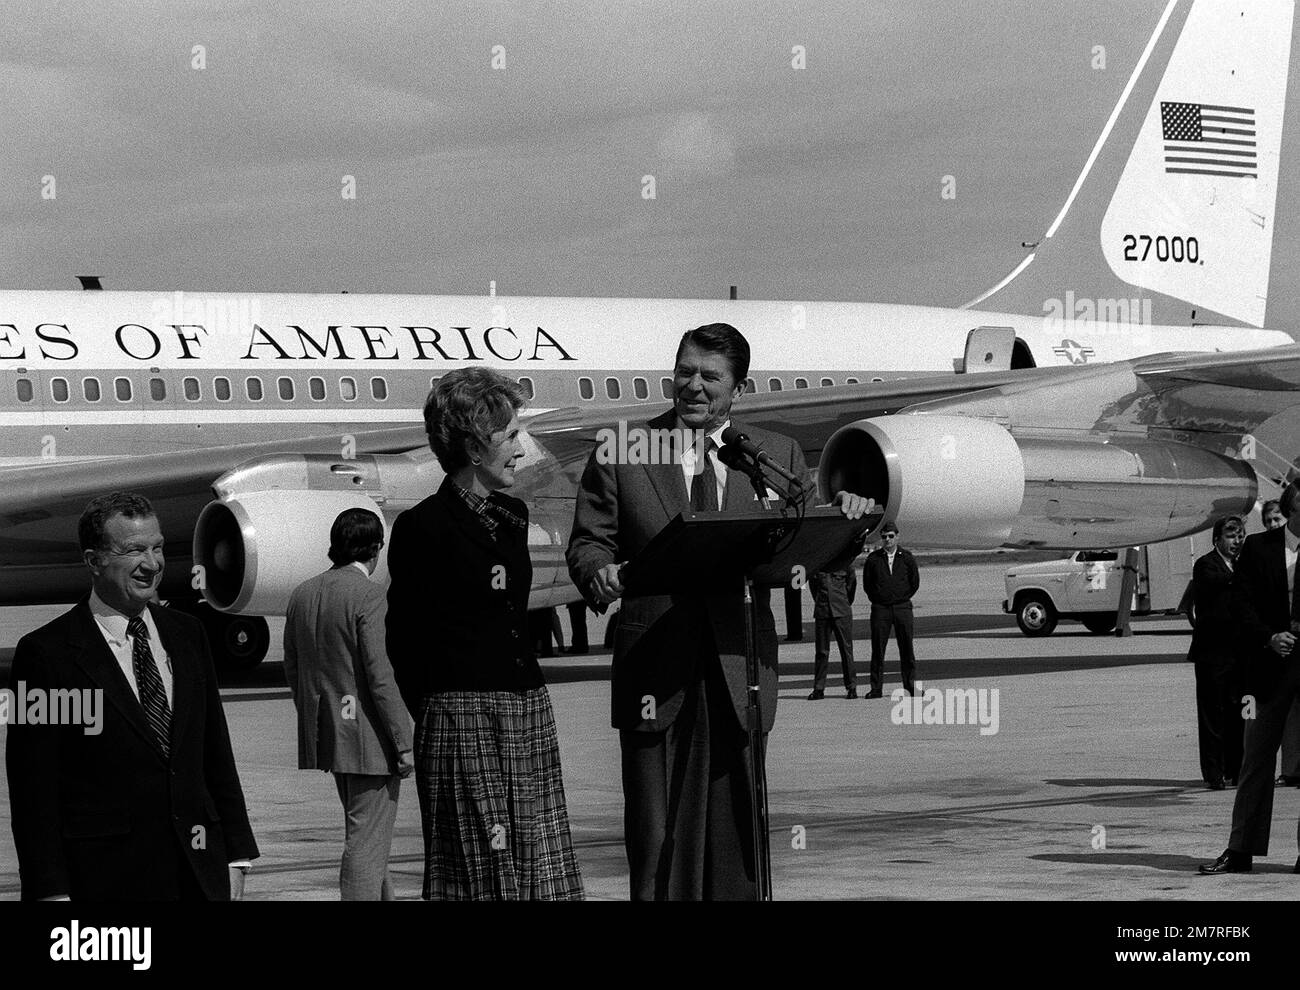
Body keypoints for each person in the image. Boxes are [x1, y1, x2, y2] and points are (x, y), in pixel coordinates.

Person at [566, 321, 871, 900]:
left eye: (710, 376)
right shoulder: (624, 446)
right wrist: (597, 570)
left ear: (740, 388)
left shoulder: (772, 456)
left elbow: (807, 547)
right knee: (656, 838)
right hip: (655, 664)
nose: (694, 386)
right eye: (684, 372)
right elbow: (588, 541)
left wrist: (848, 524)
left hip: (740, 668)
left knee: (736, 834)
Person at [385, 368, 583, 901]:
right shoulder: (422, 528)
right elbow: (403, 641)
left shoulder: (514, 516)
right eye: (510, 436)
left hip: (528, 709)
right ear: (474, 447)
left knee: (541, 867)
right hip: (459, 716)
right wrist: (444, 712)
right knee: (480, 873)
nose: (522, 448)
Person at [5, 491, 258, 900]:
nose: (152, 564)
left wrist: (237, 857)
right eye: (134, 550)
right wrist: (50, 892)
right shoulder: (45, 655)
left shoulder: (188, 634)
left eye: (157, 547)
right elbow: (34, 793)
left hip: (199, 873)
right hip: (106, 882)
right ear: (93, 560)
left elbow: (215, 754)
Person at [283, 507, 414, 900]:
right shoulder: (370, 594)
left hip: (330, 731)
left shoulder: (303, 592)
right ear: (375, 548)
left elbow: (293, 665)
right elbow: (380, 674)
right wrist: (403, 742)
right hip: (370, 738)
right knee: (365, 841)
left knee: (368, 836)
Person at [1199, 482, 1300, 875]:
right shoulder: (1259, 548)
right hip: (1269, 667)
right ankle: (1240, 850)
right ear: (1292, 511)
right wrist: (1268, 637)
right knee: (1255, 761)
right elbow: (1240, 604)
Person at [1188, 516, 1246, 789]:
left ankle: (1235, 768)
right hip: (1212, 654)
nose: (1237, 541)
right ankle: (1213, 772)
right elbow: (1222, 584)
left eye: (1240, 536)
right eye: (1232, 536)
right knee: (1213, 714)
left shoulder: (1242, 565)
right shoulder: (1206, 565)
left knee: (1240, 713)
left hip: (1238, 653)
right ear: (1217, 540)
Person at [1263, 499, 1300, 786]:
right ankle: (1290, 770)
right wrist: (1270, 636)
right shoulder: (1262, 548)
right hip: (1280, 644)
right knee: (1285, 710)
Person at [862, 521, 920, 698]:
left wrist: (902, 596)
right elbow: (867, 584)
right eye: (884, 537)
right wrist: (879, 598)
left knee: (907, 649)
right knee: (878, 649)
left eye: (891, 536)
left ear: (897, 537)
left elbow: (914, 582)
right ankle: (876, 688)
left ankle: (910, 686)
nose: (887, 540)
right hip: (881, 609)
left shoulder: (907, 557)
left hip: (902, 608)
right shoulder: (873, 559)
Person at [807, 566, 859, 700]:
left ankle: (851, 687)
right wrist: (821, 603)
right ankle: (819, 688)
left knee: (846, 650)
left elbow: (851, 586)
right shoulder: (818, 565)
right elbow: (814, 587)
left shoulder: (846, 565)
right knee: (821, 652)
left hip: (841, 611)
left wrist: (844, 602)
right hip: (823, 612)